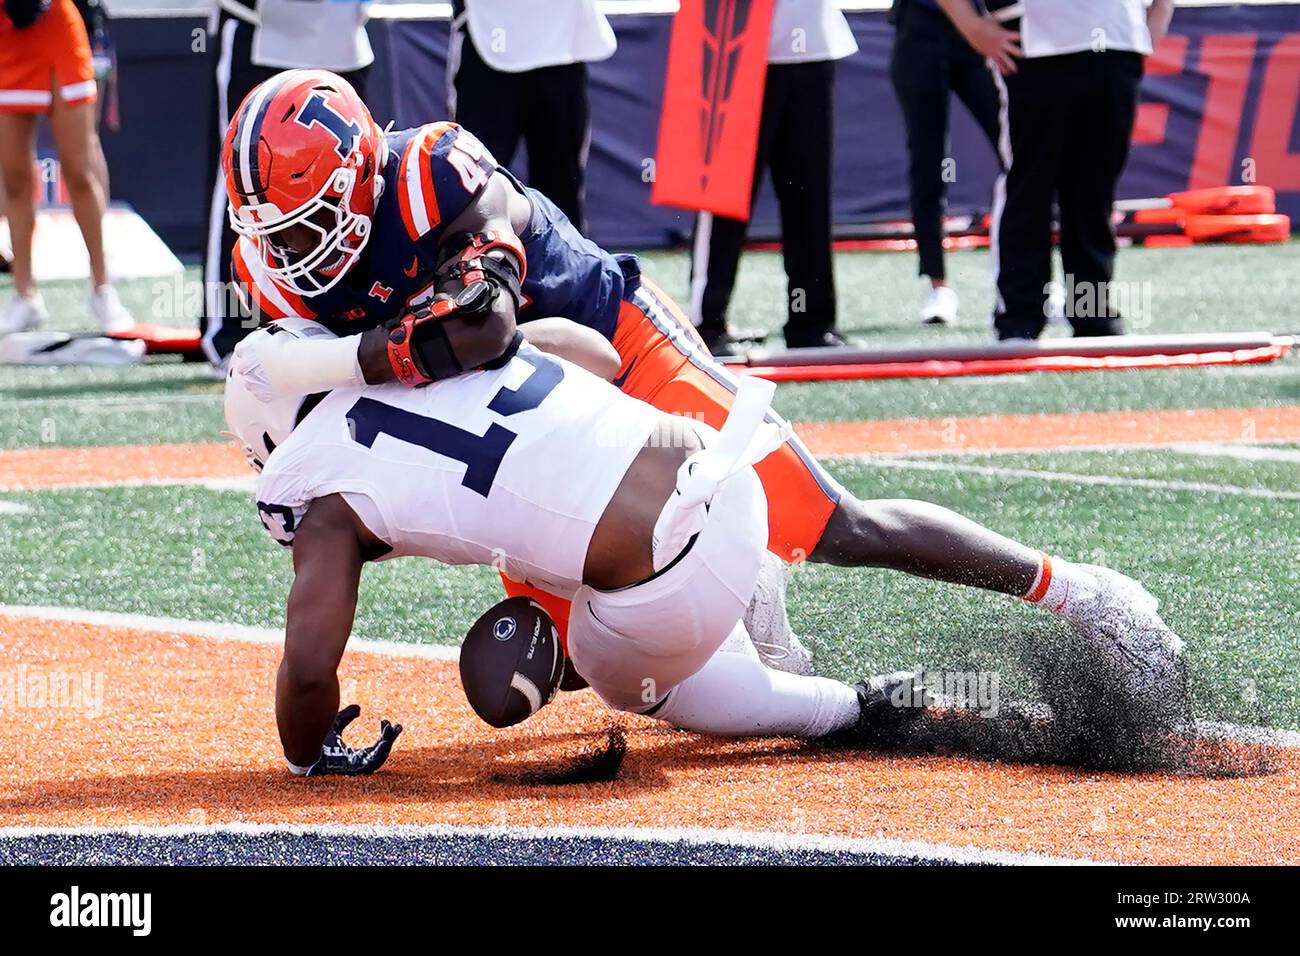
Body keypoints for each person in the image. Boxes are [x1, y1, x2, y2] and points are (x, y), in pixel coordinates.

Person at [219, 70, 1179, 684]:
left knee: (833, 525)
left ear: (360, 178)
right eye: (274, 232)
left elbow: (483, 327)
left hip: (614, 343)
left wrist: (347, 357)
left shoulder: (437, 169)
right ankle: (803, 672)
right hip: (531, 420)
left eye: (307, 223)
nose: (293, 254)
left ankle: (1079, 592)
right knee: (538, 670)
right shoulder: (272, 266)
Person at [225, 320, 1185, 775]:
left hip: (665, 583)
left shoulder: (319, 487)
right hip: (717, 470)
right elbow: (592, 356)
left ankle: (847, 709)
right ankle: (746, 583)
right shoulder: (440, 339)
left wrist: (308, 752)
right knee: (550, 582)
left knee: (616, 680)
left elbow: (310, 657)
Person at [937, 0, 1175, 340]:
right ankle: (1019, 318)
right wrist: (970, 25)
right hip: (1031, 41)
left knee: (1094, 191)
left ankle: (1091, 314)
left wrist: (1158, 15)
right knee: (1028, 186)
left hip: (1115, 41)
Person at [199, 0, 374, 371]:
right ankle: (231, 325)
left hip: (343, 36)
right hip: (264, 28)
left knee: (354, 182)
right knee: (243, 183)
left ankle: (350, 316)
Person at [688, 0, 857, 356]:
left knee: (809, 196)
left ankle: (811, 321)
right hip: (734, 47)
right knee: (723, 198)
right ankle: (707, 322)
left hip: (810, 47)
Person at [0, 0, 134, 334]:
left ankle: (102, 287)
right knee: (15, 177)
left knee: (79, 171)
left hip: (57, 25)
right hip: (6, 34)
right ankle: (24, 294)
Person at [448, 0, 614, 231]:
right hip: (488, 44)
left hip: (562, 47)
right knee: (476, 183)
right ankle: (473, 264)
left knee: (562, 190)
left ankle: (563, 265)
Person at [889, 0, 1001, 325]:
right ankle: (938, 285)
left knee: (1022, 154)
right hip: (920, 28)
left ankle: (1039, 282)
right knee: (928, 164)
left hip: (984, 23)